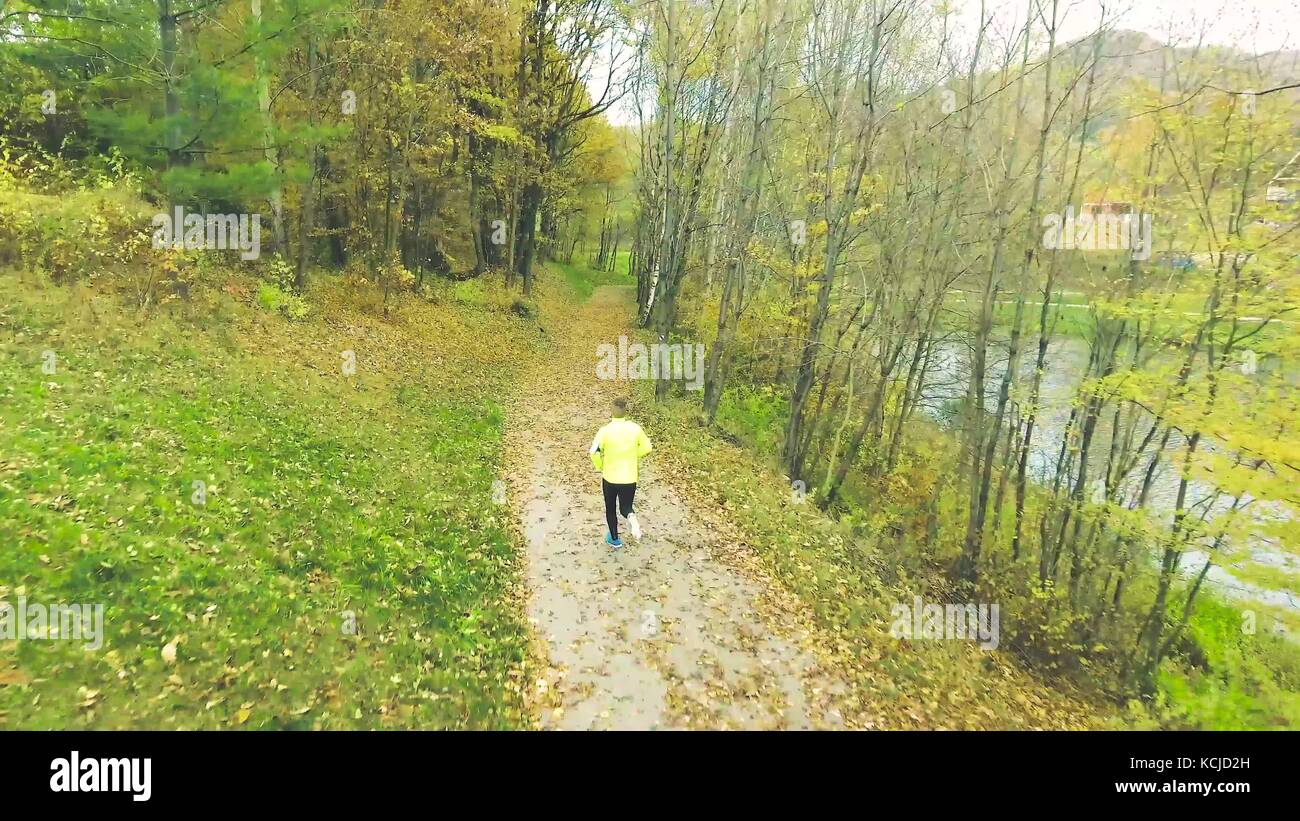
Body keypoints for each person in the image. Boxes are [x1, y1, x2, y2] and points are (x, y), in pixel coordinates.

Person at [588, 398, 652, 549]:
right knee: (625, 507)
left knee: (610, 508)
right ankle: (632, 520)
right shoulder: (635, 429)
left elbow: (593, 452)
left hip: (610, 476)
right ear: (626, 411)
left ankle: (615, 539)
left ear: (611, 411)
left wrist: (601, 466)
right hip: (629, 476)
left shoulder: (605, 431)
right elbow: (648, 447)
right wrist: (634, 454)